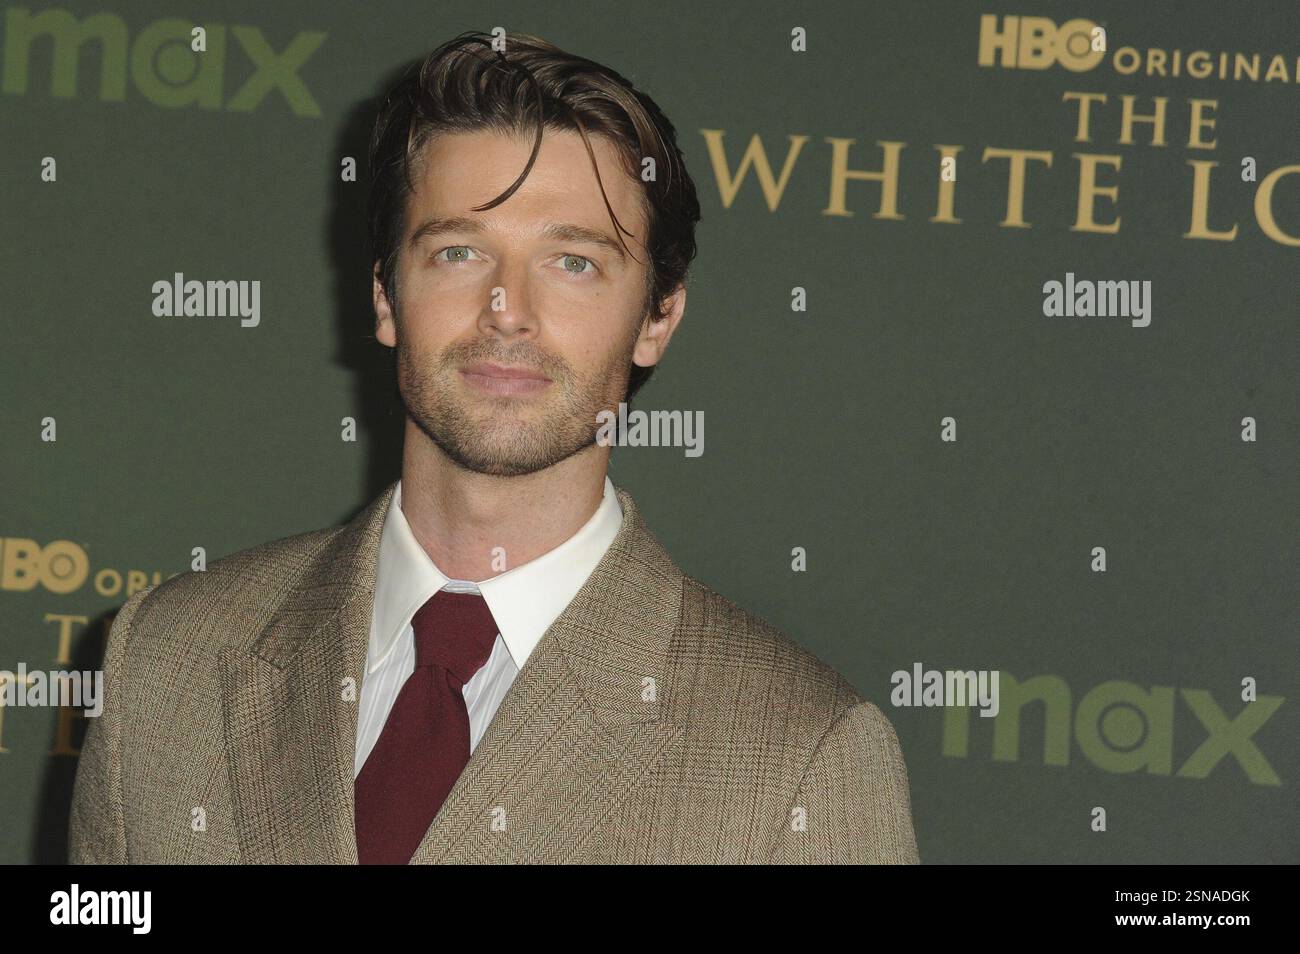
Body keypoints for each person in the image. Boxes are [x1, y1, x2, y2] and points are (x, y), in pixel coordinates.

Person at [69, 31, 919, 864]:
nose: (506, 308)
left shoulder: (802, 759)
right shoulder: (165, 664)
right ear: (386, 296)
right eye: (459, 251)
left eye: (573, 262)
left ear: (658, 317)